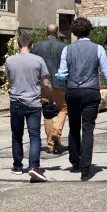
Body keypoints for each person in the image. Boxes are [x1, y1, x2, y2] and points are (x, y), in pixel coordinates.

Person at [57, 17, 107, 181]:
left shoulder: (67, 50)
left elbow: (62, 73)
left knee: (74, 126)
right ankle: (86, 168)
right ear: (90, 30)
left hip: (73, 90)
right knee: (88, 129)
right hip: (90, 90)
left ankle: (75, 162)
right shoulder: (98, 49)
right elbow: (106, 73)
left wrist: (65, 81)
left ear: (74, 33)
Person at [5, 33, 53, 182]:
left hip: (16, 102)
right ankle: (34, 166)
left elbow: (10, 80)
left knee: (16, 136)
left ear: (18, 45)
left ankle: (17, 166)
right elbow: (45, 84)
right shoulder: (38, 60)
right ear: (31, 45)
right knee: (34, 136)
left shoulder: (9, 61)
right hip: (33, 103)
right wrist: (51, 99)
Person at [32, 24, 68, 154]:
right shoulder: (63, 47)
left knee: (47, 112)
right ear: (57, 33)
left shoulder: (37, 46)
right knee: (63, 108)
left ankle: (50, 144)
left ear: (45, 32)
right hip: (59, 83)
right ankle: (57, 132)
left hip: (43, 83)